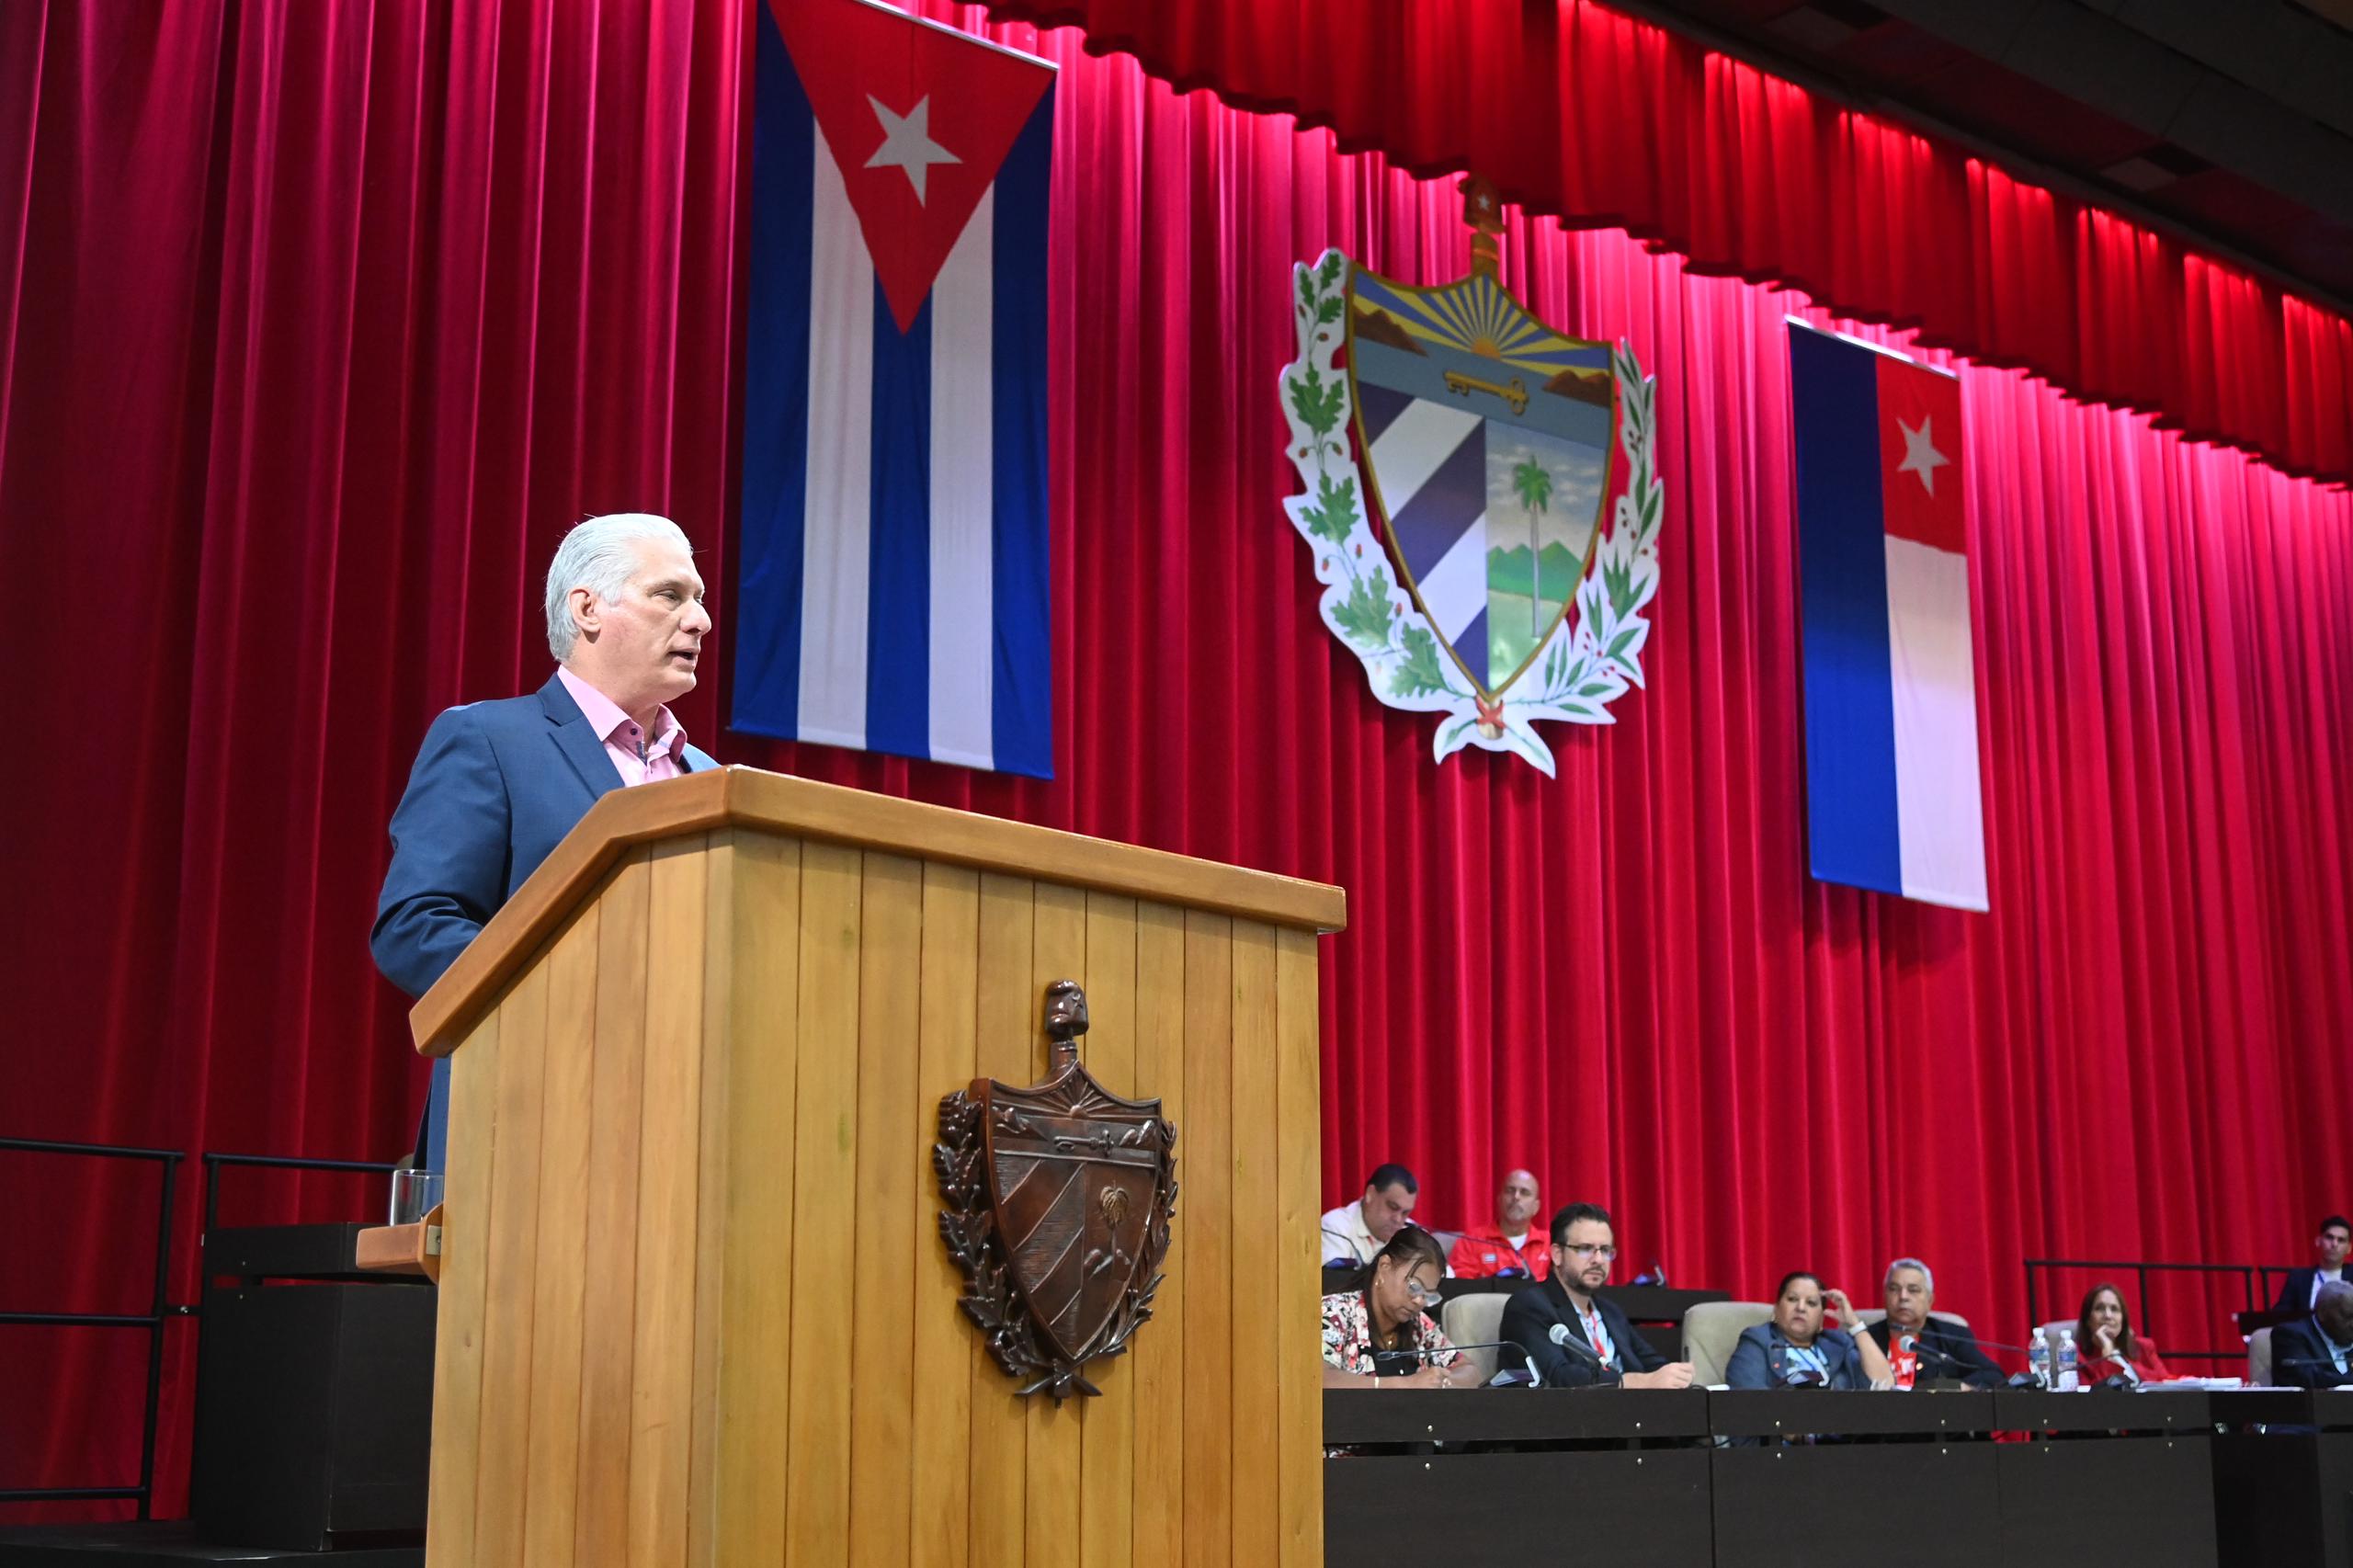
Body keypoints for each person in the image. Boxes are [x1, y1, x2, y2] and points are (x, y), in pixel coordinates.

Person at [374, 514, 719, 1165]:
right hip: (530, 1127)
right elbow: (415, 927)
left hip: (689, 1131)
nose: (699, 620)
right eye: (670, 595)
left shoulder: (710, 779)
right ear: (587, 608)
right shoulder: (493, 741)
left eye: (699, 600)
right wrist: (583, 988)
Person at [1500, 1203, 1696, 1389]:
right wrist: (1636, 1382)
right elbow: (1555, 1377)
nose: (1599, 1260)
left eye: (1605, 1250)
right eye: (1585, 1249)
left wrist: (1676, 1375)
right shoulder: (1530, 1306)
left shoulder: (1611, 1312)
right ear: (1557, 1254)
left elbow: (1652, 1364)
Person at [1321, 1226, 1470, 1388]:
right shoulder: (1335, 1311)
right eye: (1414, 1287)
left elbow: (1468, 1369)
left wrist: (1444, 1382)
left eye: (1428, 1296)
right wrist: (1404, 1384)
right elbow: (1320, 1377)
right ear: (1384, 1266)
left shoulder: (1420, 1326)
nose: (1420, 1301)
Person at [1727, 1271, 1893, 1390]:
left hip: (1841, 1435)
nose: (1800, 1308)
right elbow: (1749, 1403)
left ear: (1821, 1319)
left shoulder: (1839, 1344)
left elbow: (1885, 1383)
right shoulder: (1758, 1340)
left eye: (1811, 1303)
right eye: (1792, 1299)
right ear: (1776, 1309)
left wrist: (1855, 1325)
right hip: (1784, 1436)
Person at [1860, 1257, 2005, 1389]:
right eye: (1894, 1289)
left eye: (1913, 1290)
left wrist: (1960, 1387)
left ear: (1930, 1301)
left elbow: (1992, 1374)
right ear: (1884, 1297)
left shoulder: (1952, 1337)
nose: (1903, 1297)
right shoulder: (1866, 1338)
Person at [1447, 1168, 1549, 1280]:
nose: (1516, 1197)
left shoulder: (1550, 1243)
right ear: (1499, 1200)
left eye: (1524, 1193)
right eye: (1510, 1190)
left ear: (1536, 1207)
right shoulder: (1471, 1241)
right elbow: (1462, 1286)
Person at [1320, 1165, 1419, 1267]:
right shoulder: (1335, 1228)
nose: (1398, 1219)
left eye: (1405, 1213)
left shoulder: (1412, 1235)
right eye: (1393, 1207)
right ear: (1370, 1194)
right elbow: (1334, 1279)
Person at [2075, 1283, 2171, 1385]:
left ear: (2122, 1319)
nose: (2108, 1315)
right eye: (2100, 1308)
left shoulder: (2144, 1347)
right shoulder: (2078, 1357)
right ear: (2088, 1320)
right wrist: (2108, 1353)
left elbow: (2165, 1382)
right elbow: (2099, 1396)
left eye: (2114, 1309)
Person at [2272, 1281, 2353, 1389]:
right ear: (2323, 1312)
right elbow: (2307, 1378)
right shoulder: (2290, 1334)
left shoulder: (2346, 1334)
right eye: (2348, 1317)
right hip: (2310, 1404)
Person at [2268, 1216, 2353, 1315]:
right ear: (2318, 1241)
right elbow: (2281, 1313)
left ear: (2349, 1248)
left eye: (2341, 1240)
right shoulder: (2299, 1277)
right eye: (2329, 1237)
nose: (2334, 1244)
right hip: (2307, 1329)